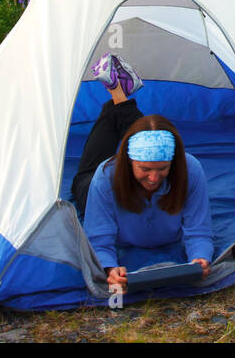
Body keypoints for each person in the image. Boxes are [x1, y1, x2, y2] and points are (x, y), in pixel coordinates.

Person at [82, 115, 214, 294]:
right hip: (87, 187)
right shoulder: (105, 177)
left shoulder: (191, 170)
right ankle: (114, 105)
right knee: (84, 178)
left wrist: (200, 257)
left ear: (173, 163)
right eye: (144, 169)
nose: (153, 178)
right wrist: (110, 268)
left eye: (163, 169)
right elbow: (98, 238)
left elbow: (199, 229)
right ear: (130, 162)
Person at [71, 53, 145, 217]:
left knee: (86, 177)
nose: (153, 177)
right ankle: (117, 92)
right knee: (147, 149)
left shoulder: (100, 198)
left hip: (92, 187)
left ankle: (117, 91)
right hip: (102, 184)